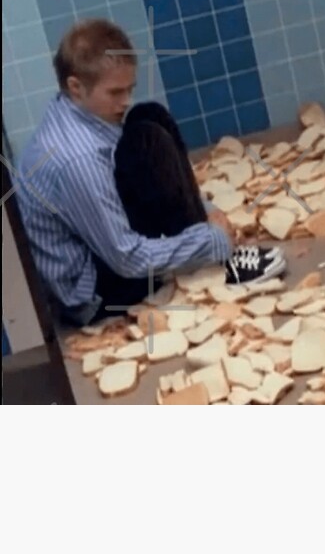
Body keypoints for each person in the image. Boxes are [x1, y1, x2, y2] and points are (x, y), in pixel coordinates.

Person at [16, 18, 285, 327]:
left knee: (148, 117)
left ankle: (202, 237)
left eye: (129, 89)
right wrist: (211, 240)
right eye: (115, 92)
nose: (125, 101)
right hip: (94, 296)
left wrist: (203, 211)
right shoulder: (77, 159)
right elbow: (127, 258)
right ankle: (216, 258)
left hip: (97, 251)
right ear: (75, 86)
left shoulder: (75, 110)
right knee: (148, 142)